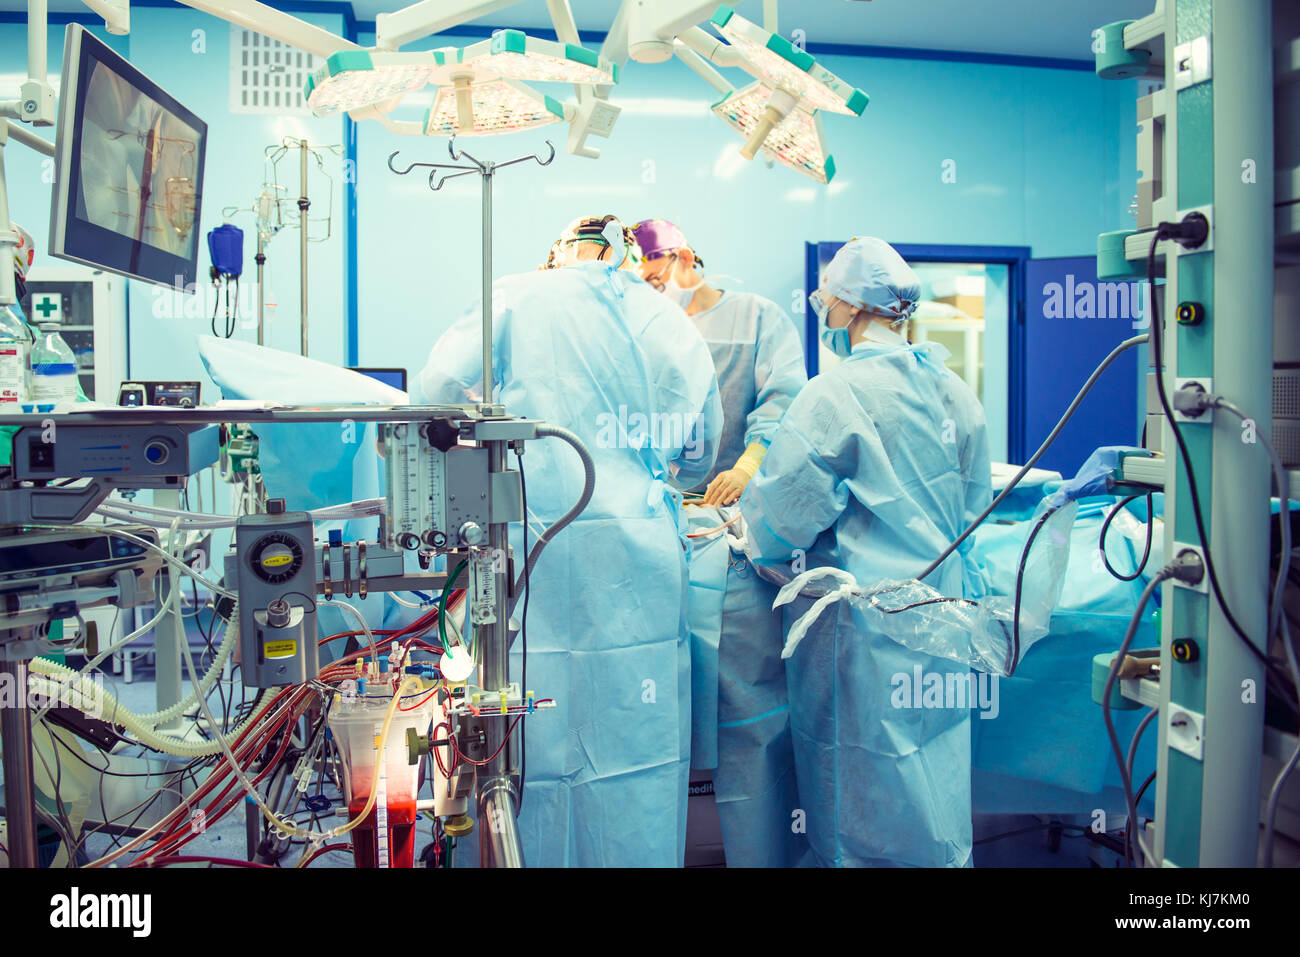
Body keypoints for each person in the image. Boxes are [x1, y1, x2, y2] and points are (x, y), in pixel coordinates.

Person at [413, 214, 724, 867]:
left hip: (534, 544)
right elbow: (698, 456)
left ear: (559, 251)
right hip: (640, 564)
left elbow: (435, 399)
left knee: (526, 727)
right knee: (636, 752)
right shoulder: (669, 320)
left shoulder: (517, 296)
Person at [740, 237, 992, 867]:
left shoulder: (836, 394)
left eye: (829, 300)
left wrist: (745, 534)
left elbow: (783, 520)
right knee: (934, 775)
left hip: (868, 630)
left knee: (860, 786)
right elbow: (971, 506)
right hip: (948, 619)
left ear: (851, 308)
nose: (824, 311)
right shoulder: (955, 391)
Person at [632, 219, 807, 507]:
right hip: (664, 499)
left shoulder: (756, 317)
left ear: (685, 259)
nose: (652, 296)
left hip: (740, 497)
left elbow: (783, 401)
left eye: (655, 282)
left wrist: (746, 469)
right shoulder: (648, 329)